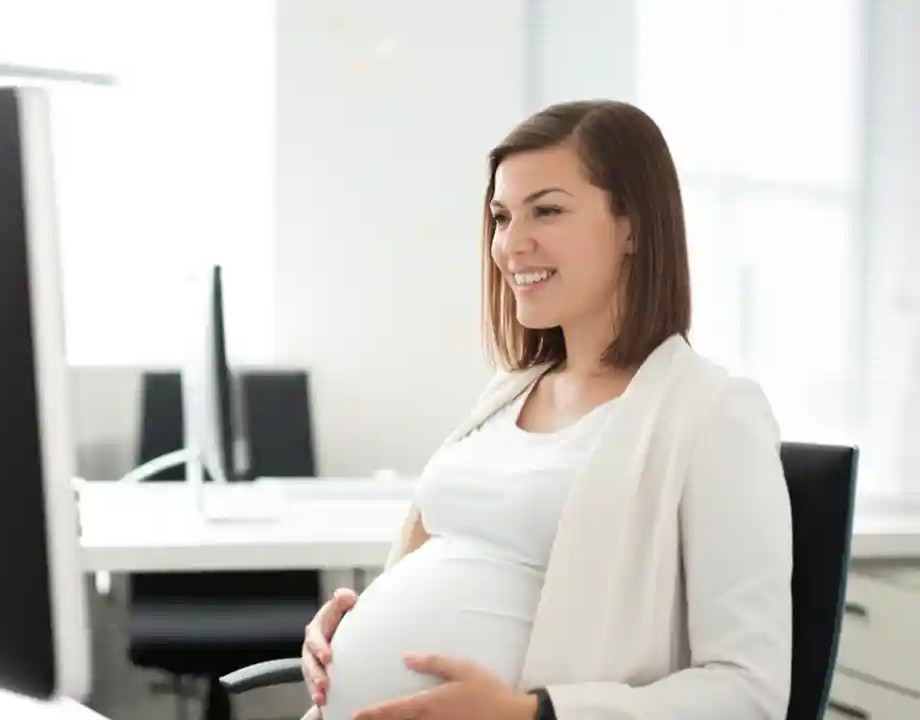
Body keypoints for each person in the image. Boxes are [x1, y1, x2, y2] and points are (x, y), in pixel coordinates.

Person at [298, 100, 793, 720]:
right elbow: (453, 560)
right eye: (502, 217)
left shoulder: (712, 413)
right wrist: (348, 625)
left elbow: (750, 691)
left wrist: (536, 714)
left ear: (634, 225)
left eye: (548, 211)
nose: (511, 244)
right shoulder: (509, 390)